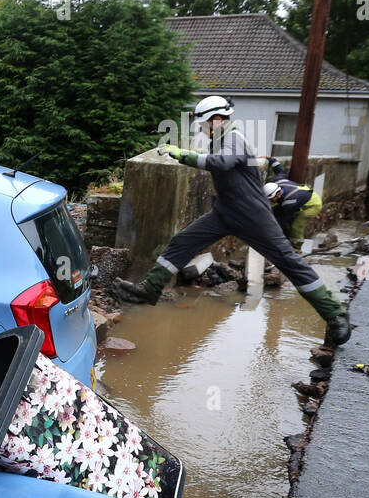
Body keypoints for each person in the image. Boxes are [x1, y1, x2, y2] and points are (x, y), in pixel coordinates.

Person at [114, 96, 351, 344]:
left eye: (204, 123)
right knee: (183, 241)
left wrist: (182, 154)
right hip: (225, 213)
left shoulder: (234, 139)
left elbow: (222, 163)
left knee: (289, 262)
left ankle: (335, 314)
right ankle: (150, 289)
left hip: (252, 216)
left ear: (217, 120)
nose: (201, 129)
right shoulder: (220, 140)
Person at [264, 157, 323, 250]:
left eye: (272, 199)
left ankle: (297, 246)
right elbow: (280, 171)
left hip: (313, 204)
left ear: (278, 194)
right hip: (302, 195)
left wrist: (271, 232)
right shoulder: (279, 182)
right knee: (276, 209)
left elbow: (283, 219)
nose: (271, 201)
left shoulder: (289, 203)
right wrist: (272, 160)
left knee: (295, 225)